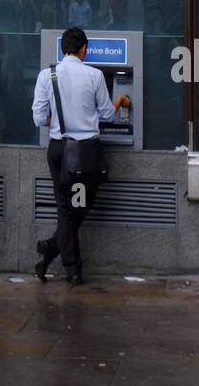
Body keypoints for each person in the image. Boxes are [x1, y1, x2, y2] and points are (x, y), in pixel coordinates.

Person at [31, 26, 130, 287]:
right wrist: (119, 100)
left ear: (63, 49)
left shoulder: (46, 76)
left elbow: (39, 118)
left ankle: (51, 249)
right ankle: (73, 269)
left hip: (59, 150)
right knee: (79, 206)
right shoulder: (95, 75)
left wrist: (61, 122)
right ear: (83, 49)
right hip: (85, 153)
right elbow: (108, 115)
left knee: (67, 208)